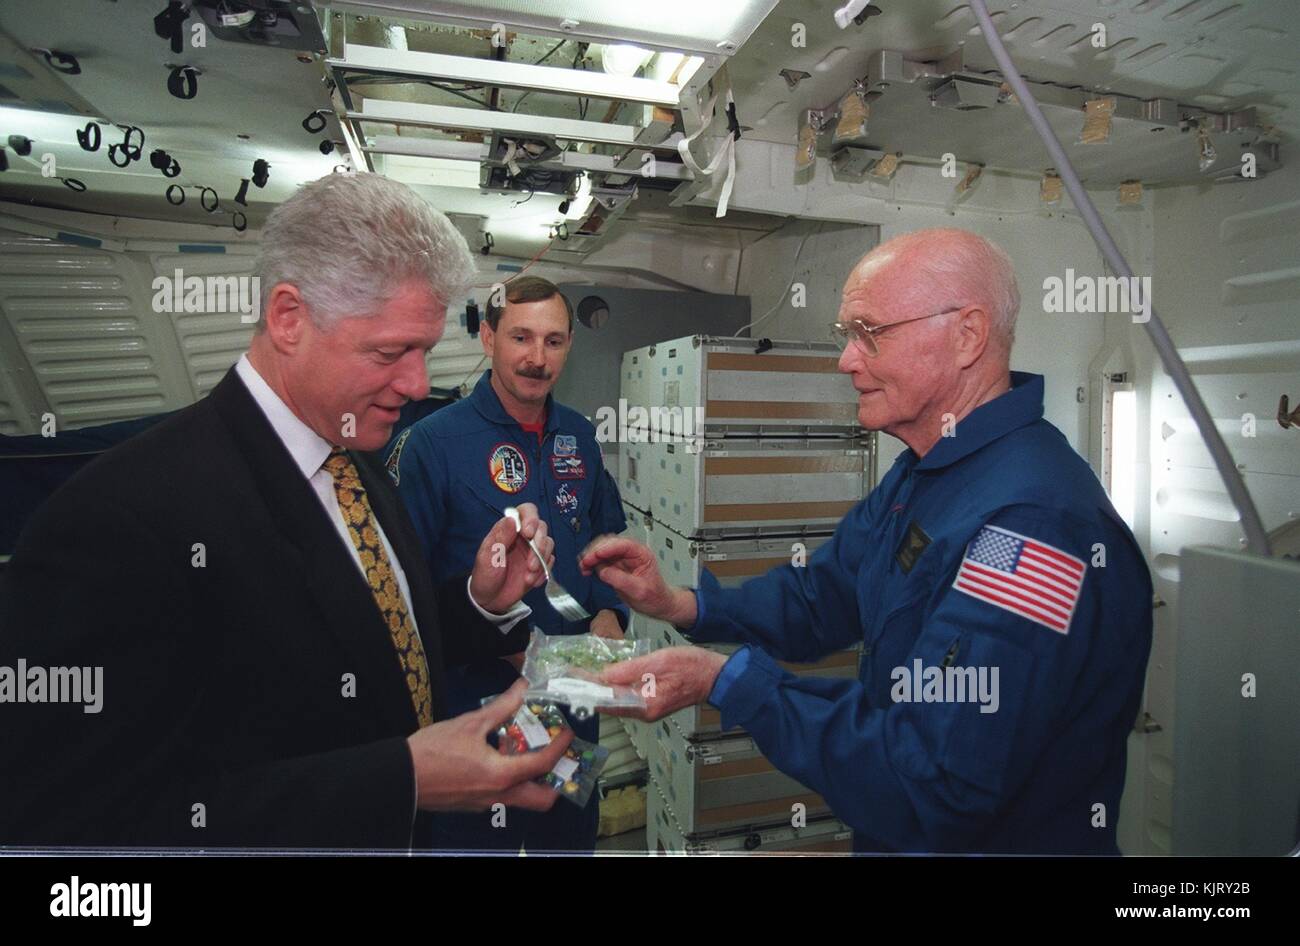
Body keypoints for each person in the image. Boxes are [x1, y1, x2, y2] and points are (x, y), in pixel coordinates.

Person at [0, 173, 572, 848]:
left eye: (423, 351)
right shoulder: (118, 520)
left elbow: (367, 641)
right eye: (391, 352)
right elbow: (66, 827)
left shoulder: (352, 454)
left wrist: (479, 600)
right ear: (289, 318)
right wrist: (403, 779)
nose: (418, 384)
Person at [581, 228, 1154, 854]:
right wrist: (681, 604)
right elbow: (824, 595)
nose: (846, 360)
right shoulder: (927, 468)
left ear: (967, 335)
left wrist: (726, 681)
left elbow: (933, 779)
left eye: (870, 333)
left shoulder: (1032, 526)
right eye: (846, 334)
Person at [387, 275, 628, 853]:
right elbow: (402, 589)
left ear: (569, 345)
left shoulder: (578, 435)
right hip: (480, 705)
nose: (537, 358)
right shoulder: (433, 443)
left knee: (568, 834)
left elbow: (604, 535)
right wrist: (503, 642)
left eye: (553, 341)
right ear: (488, 338)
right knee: (474, 845)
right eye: (521, 338)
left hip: (569, 697)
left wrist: (611, 613)